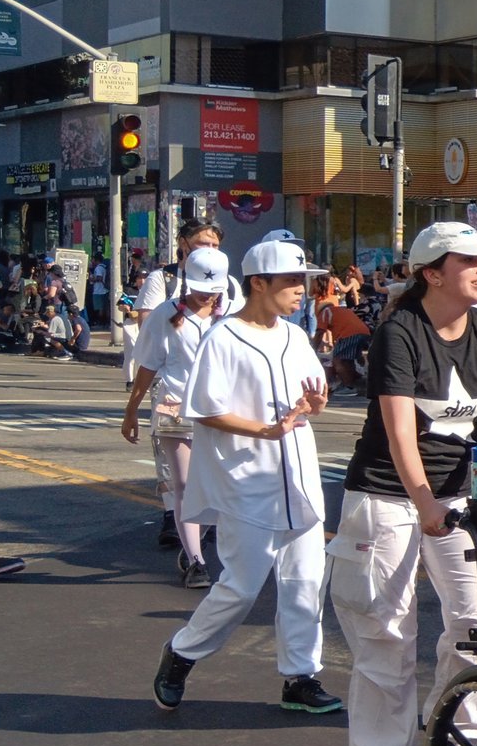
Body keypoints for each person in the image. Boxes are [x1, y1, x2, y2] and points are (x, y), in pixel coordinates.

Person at [329, 223, 477, 746]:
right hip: (387, 496)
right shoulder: (400, 332)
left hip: (456, 496)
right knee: (387, 632)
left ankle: (454, 745)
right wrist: (423, 504)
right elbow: (398, 432)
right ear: (431, 272)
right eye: (469, 261)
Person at [147, 239, 342, 717]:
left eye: (305, 281)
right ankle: (182, 652)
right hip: (246, 480)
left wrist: (316, 405)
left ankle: (300, 676)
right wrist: (266, 429)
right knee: (241, 586)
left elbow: (315, 397)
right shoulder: (224, 337)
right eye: (292, 281)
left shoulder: (295, 337)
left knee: (305, 581)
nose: (302, 290)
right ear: (259, 283)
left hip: (297, 475)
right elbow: (205, 410)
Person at [122, 246, 233, 587]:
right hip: (175, 409)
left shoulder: (235, 313)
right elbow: (147, 367)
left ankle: (217, 551)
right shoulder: (164, 315)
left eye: (213, 290)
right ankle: (197, 561)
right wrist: (131, 410)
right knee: (183, 484)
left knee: (224, 484)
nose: (207, 296)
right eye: (201, 289)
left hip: (222, 411)